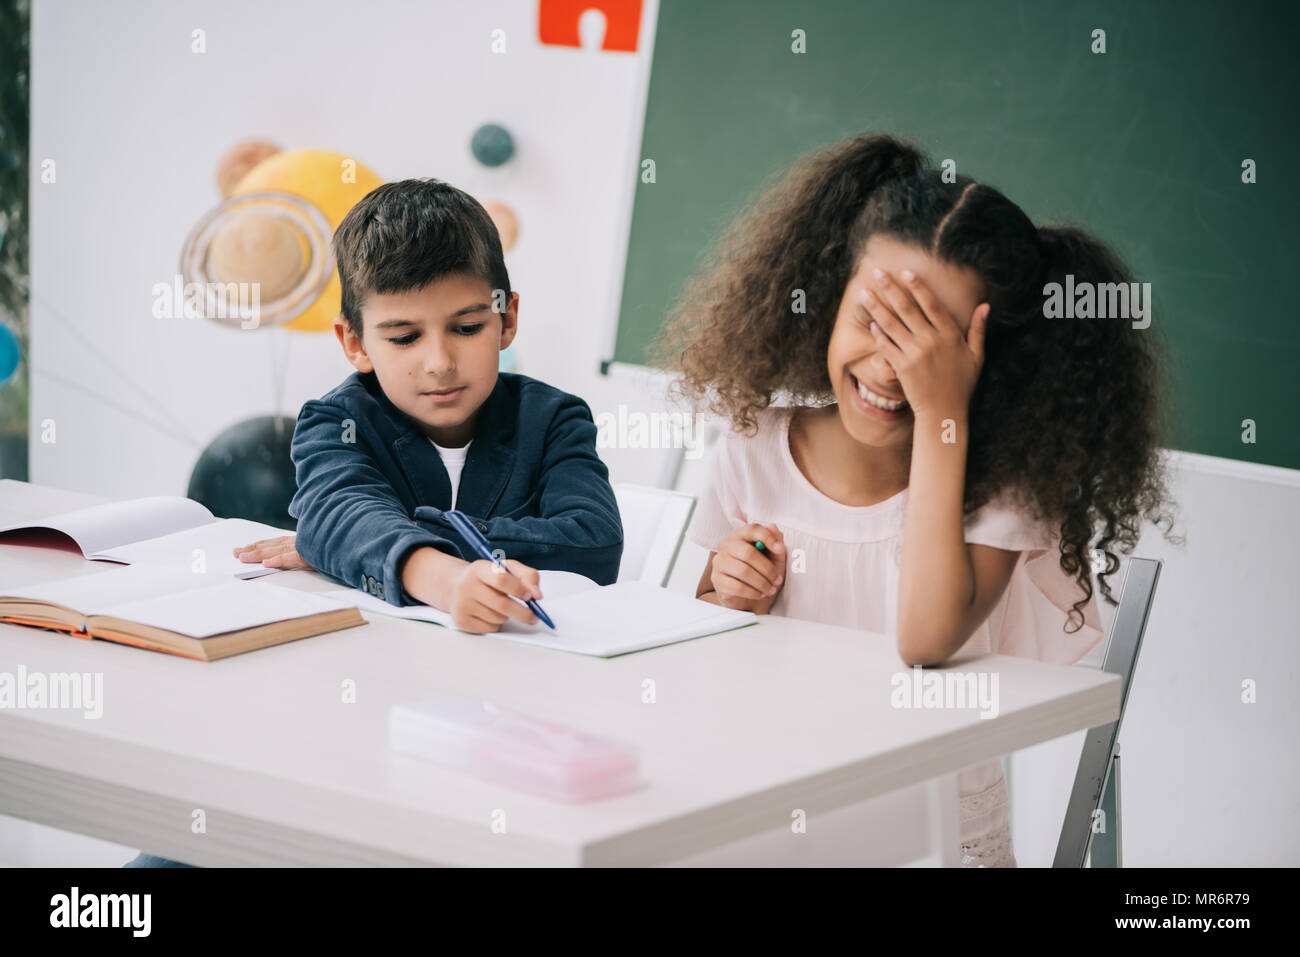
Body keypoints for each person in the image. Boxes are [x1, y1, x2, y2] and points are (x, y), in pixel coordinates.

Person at [654, 132, 1180, 867]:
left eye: (929, 345)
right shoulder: (754, 445)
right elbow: (703, 646)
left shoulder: (1001, 493)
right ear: (828, 298)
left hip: (933, 835)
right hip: (777, 801)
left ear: (991, 361)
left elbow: (925, 638)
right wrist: (725, 592)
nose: (891, 366)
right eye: (876, 319)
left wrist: (944, 411)